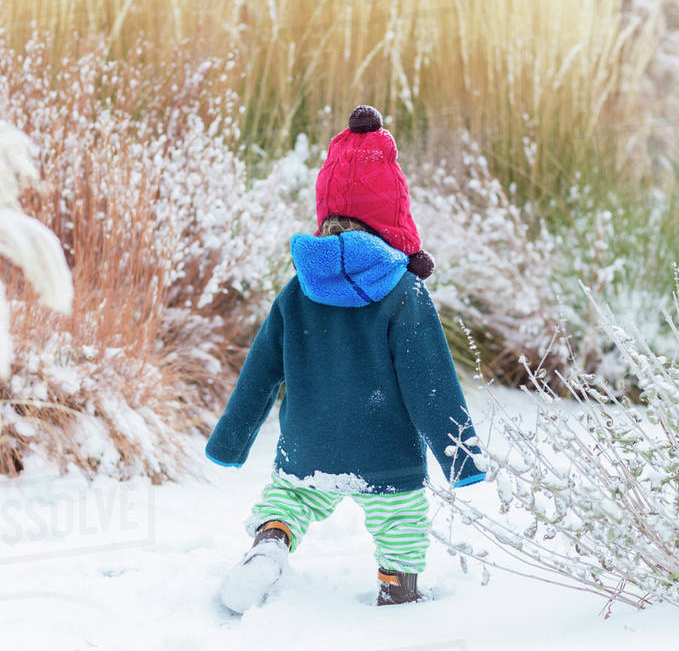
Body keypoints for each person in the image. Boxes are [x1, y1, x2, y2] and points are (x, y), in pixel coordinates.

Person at [205, 105, 485, 613]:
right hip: (385, 452)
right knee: (401, 520)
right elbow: (431, 384)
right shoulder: (403, 293)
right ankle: (398, 593)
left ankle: (270, 543)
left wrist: (230, 442)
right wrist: (460, 457)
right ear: (393, 217)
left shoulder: (297, 290)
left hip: (307, 445)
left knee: (290, 499)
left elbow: (260, 372)